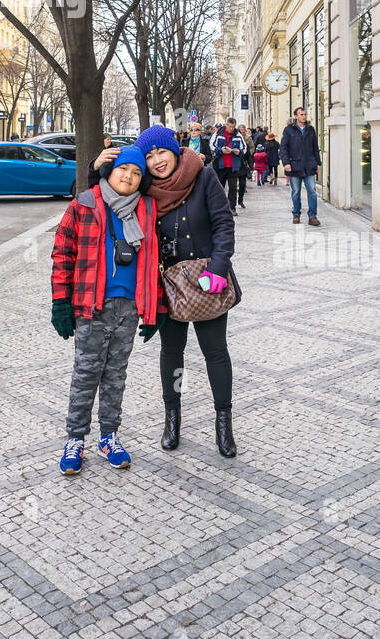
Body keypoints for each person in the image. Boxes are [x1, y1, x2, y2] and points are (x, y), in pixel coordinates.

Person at [115, 126, 239, 458]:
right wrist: (95, 165)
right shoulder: (142, 189)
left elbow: (224, 223)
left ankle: (223, 423)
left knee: (215, 352)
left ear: (174, 150)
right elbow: (104, 192)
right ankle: (173, 418)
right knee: (172, 353)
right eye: (149, 155)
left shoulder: (204, 175)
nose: (156, 161)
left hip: (207, 281)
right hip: (165, 286)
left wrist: (218, 267)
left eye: (161, 152)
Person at [51, 146, 163, 476]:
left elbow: (154, 261)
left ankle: (109, 436)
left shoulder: (147, 208)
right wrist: (61, 302)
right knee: (86, 374)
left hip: (129, 308)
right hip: (90, 306)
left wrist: (153, 309)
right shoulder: (85, 203)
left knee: (116, 375)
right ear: (109, 172)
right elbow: (62, 253)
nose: (128, 176)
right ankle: (75, 440)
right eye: (123, 169)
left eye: (137, 172)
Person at [280, 106, 321, 225]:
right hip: (294, 166)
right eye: (301, 114)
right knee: (296, 192)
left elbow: (315, 147)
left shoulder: (310, 129)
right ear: (296, 116)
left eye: (305, 114)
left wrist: (318, 163)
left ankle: (312, 216)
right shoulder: (288, 130)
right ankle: (296, 214)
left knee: (312, 192)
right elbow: (283, 148)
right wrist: (286, 163)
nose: (303, 117)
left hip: (309, 166)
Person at [210, 118, 248, 214]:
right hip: (220, 166)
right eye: (229, 126)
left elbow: (244, 148)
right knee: (219, 188)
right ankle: (219, 208)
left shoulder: (238, 135)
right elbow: (212, 145)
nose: (231, 129)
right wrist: (220, 150)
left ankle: (232, 208)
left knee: (233, 188)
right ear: (226, 125)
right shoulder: (218, 133)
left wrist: (239, 151)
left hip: (233, 166)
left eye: (233, 127)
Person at [236, 125, 254, 208]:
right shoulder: (232, 143)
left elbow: (249, 157)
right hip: (233, 167)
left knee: (242, 185)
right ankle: (232, 204)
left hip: (242, 166)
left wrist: (251, 167)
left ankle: (240, 200)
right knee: (233, 187)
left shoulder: (246, 144)